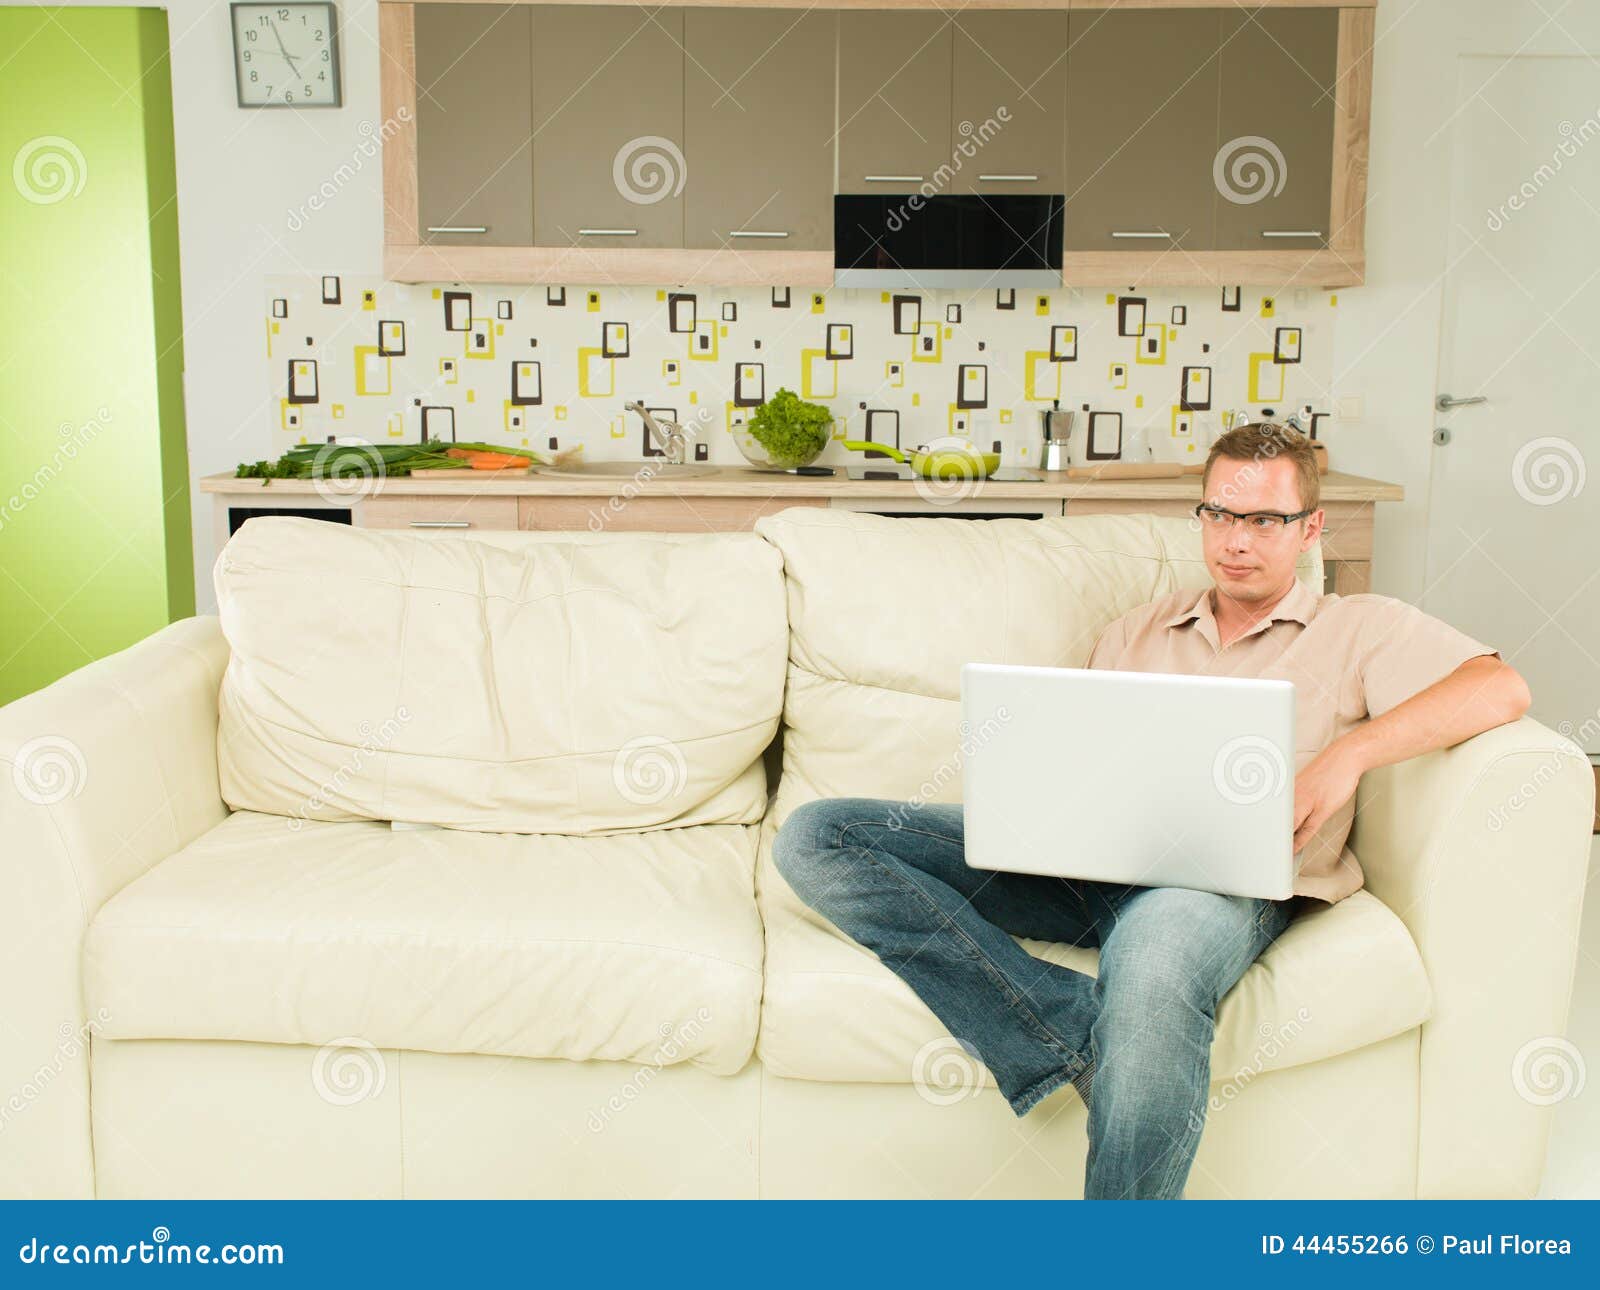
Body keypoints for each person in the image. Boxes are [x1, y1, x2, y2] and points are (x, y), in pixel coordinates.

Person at [773, 422, 1530, 1199]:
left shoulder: (1360, 625)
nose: (1238, 541)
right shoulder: (1136, 631)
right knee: (819, 835)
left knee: (1152, 975)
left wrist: (1349, 755)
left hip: (1216, 883)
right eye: (1220, 516)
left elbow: (1500, 688)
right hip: (1086, 862)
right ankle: (1058, 1027)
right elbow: (1073, 760)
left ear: (1311, 527)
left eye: (1265, 520)